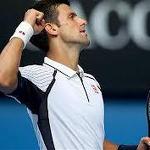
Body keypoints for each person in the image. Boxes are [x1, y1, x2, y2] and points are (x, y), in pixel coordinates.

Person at [0, 0, 149, 149]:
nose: (83, 21)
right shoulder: (40, 77)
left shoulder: (91, 82)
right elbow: (3, 78)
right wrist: (26, 26)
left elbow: (94, 142)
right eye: (72, 16)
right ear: (51, 28)